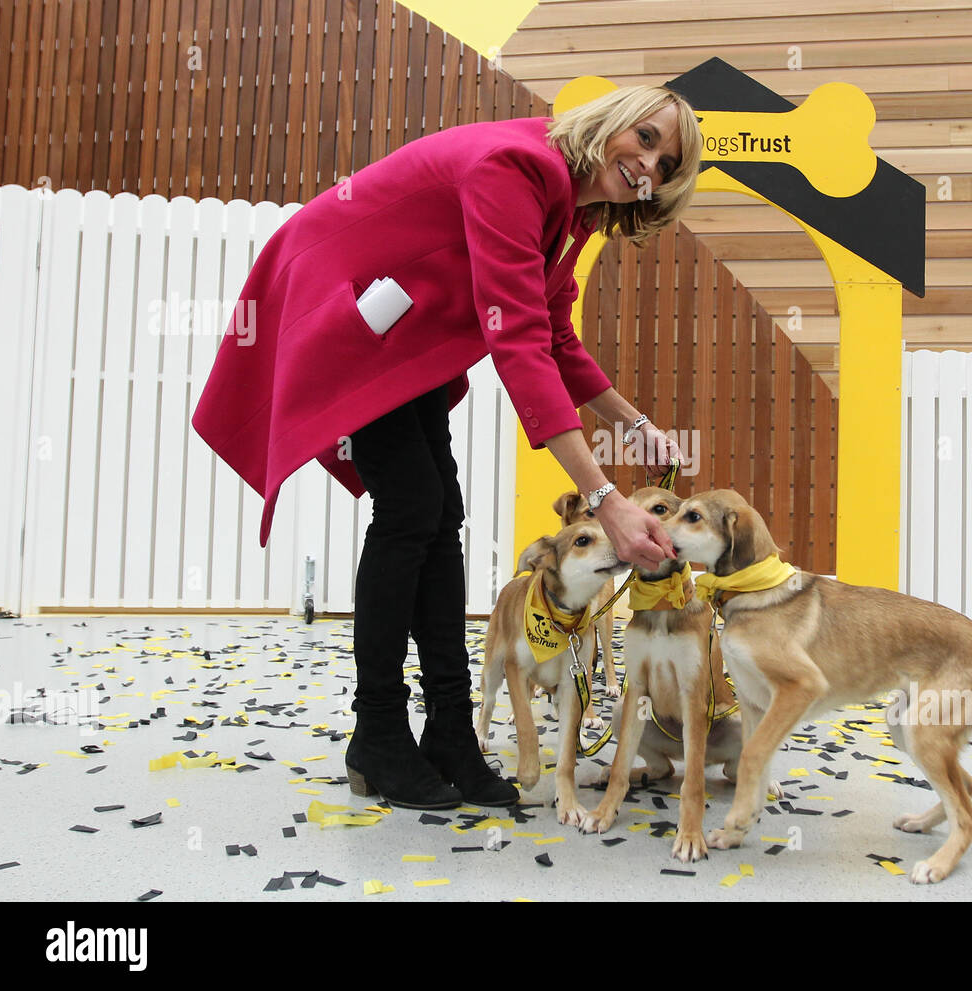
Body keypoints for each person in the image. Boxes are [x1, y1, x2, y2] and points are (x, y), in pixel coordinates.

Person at [192, 85, 703, 811]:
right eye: (645, 137)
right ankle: (377, 733)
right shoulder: (517, 169)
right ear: (614, 122)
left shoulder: (574, 210)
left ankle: (450, 732)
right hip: (351, 306)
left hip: (413, 327)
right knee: (411, 507)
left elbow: (553, 330)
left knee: (441, 509)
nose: (648, 161)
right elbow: (517, 341)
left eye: (667, 159)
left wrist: (631, 421)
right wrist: (605, 500)